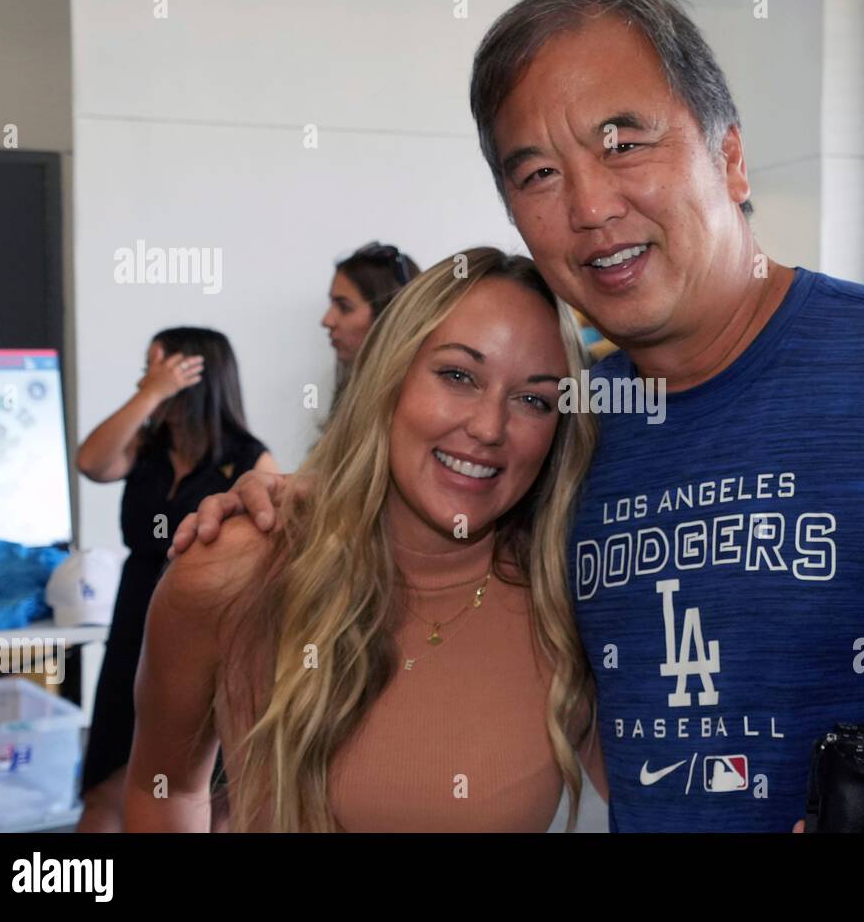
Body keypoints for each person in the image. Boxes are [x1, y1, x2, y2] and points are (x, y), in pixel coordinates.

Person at [175, 0, 864, 832]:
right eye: (538, 172)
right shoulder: (566, 424)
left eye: (624, 140)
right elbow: (434, 519)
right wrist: (286, 497)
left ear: (728, 155)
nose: (588, 205)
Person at [125, 249, 603, 832]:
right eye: (458, 376)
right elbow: (165, 792)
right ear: (390, 377)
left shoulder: (569, 600)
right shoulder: (235, 569)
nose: (488, 428)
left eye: (534, 400)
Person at [75, 327, 277, 832]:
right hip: (135, 619)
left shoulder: (250, 459)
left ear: (196, 376)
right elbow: (91, 462)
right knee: (106, 784)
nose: (146, 376)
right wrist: (150, 394)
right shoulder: (145, 446)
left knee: (213, 794)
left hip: (213, 628)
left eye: (156, 367)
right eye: (147, 368)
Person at [322, 241, 421, 373]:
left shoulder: (416, 390)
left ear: (388, 315)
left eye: (344, 307)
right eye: (332, 304)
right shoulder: (358, 388)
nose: (327, 320)